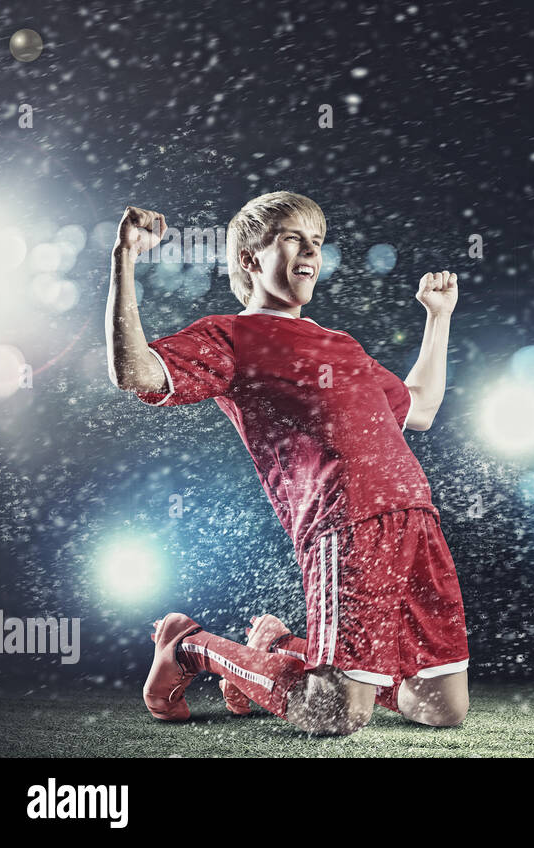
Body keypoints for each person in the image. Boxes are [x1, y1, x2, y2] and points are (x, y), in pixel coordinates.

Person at [105, 192, 468, 734]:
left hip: (417, 519)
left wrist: (438, 320)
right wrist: (124, 260)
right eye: (293, 238)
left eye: (317, 242)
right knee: (335, 716)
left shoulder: (343, 346)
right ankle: (189, 646)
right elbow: (136, 373)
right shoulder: (231, 335)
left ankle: (278, 647)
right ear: (250, 259)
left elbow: (420, 409)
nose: (310, 252)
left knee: (443, 709)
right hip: (346, 525)